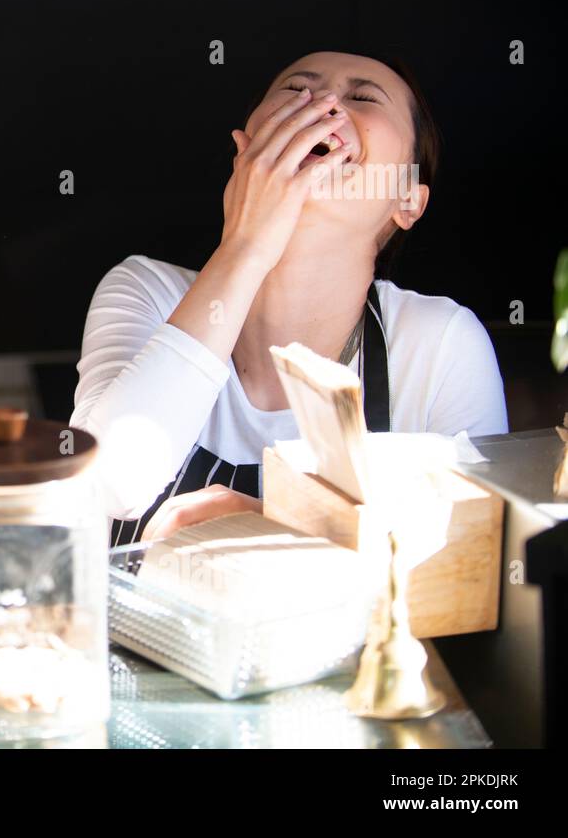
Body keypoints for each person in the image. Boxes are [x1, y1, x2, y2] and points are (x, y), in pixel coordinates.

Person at [71, 51, 507, 546]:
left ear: (407, 199)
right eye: (296, 89)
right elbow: (110, 483)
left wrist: (274, 526)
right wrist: (246, 244)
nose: (321, 103)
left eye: (362, 97)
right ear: (246, 151)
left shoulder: (440, 342)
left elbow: (475, 554)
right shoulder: (147, 291)